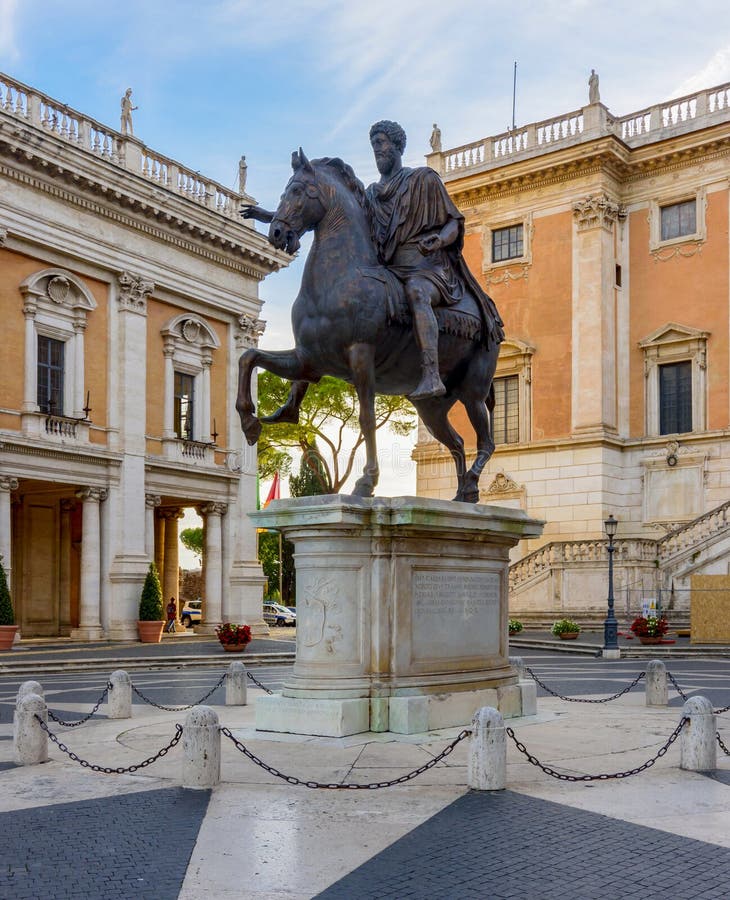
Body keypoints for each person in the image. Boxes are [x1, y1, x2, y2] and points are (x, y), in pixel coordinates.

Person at [366, 120, 503, 400]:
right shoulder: (371, 195)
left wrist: (439, 240)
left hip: (428, 267)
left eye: (381, 143)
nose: (377, 149)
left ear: (397, 146)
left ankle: (431, 373)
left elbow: (453, 223)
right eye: (373, 145)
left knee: (417, 292)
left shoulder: (423, 179)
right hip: (391, 270)